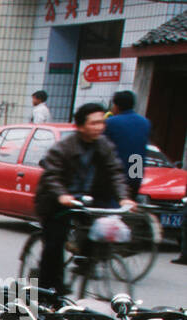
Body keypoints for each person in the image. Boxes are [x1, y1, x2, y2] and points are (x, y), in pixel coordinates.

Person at [34, 102, 136, 293]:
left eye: (101, 123)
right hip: (55, 201)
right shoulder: (64, 147)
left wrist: (124, 198)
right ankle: (45, 290)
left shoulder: (103, 145)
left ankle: (84, 263)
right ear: (80, 126)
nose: (99, 127)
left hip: (87, 199)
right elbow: (51, 175)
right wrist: (62, 195)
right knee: (54, 245)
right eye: (94, 123)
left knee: (98, 234)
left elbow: (115, 172)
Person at [104, 90, 152, 199]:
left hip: (118, 173)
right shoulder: (145, 122)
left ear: (116, 106)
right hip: (136, 171)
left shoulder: (111, 122)